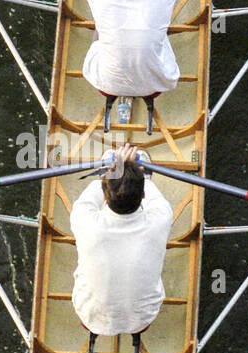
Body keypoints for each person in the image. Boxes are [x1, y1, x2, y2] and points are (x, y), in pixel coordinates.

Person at [70, 142, 172, 338]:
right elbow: (153, 196)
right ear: (143, 194)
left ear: (105, 195)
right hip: (142, 320)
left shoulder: (82, 219)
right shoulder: (162, 217)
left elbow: (93, 193)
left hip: (89, 317)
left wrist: (115, 167)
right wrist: (136, 173)